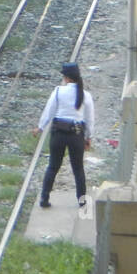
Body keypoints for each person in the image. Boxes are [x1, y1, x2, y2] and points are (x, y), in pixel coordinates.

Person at [33, 62, 95, 208]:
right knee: (78, 168)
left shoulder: (58, 91)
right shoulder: (85, 95)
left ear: (66, 78)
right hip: (77, 134)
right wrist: (88, 137)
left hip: (58, 133)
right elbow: (90, 119)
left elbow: (49, 111)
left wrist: (40, 128)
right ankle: (82, 200)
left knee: (53, 166)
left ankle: (44, 198)